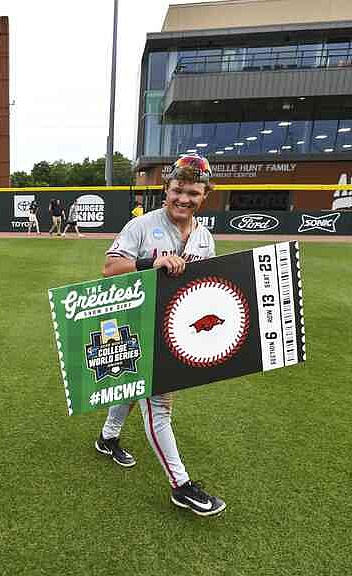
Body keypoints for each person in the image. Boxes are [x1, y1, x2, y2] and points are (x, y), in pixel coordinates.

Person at [94, 153, 226, 517]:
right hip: (137, 325)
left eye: (193, 193)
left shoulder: (205, 238)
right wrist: (151, 262)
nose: (184, 198)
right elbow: (109, 268)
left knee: (134, 387)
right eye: (177, 190)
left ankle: (107, 438)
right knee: (159, 407)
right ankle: (181, 486)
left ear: (205, 196)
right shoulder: (142, 225)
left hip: (176, 331)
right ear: (165, 190)